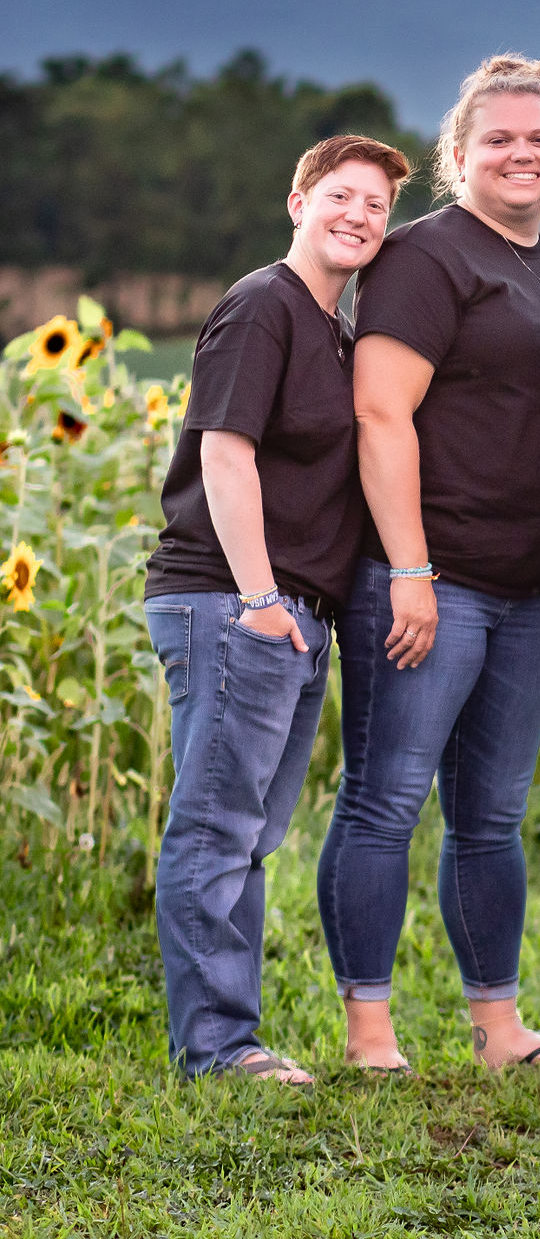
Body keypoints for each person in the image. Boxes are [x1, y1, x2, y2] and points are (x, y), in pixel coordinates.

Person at [315, 55, 540, 1073]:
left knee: (492, 817)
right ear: (458, 156)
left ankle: (497, 1026)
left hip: (526, 591)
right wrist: (411, 571)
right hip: (428, 582)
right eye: (499, 139)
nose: (521, 153)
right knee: (384, 800)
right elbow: (379, 413)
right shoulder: (426, 260)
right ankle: (370, 1030)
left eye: (539, 138)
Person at [143, 135, 411, 1083]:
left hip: (289, 610)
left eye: (376, 206)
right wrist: (259, 598)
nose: (358, 216)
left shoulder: (336, 328)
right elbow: (225, 452)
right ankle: (216, 1047)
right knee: (218, 830)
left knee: (250, 834)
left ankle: (228, 1036)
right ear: (297, 202)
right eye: (340, 195)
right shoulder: (264, 307)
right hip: (229, 599)